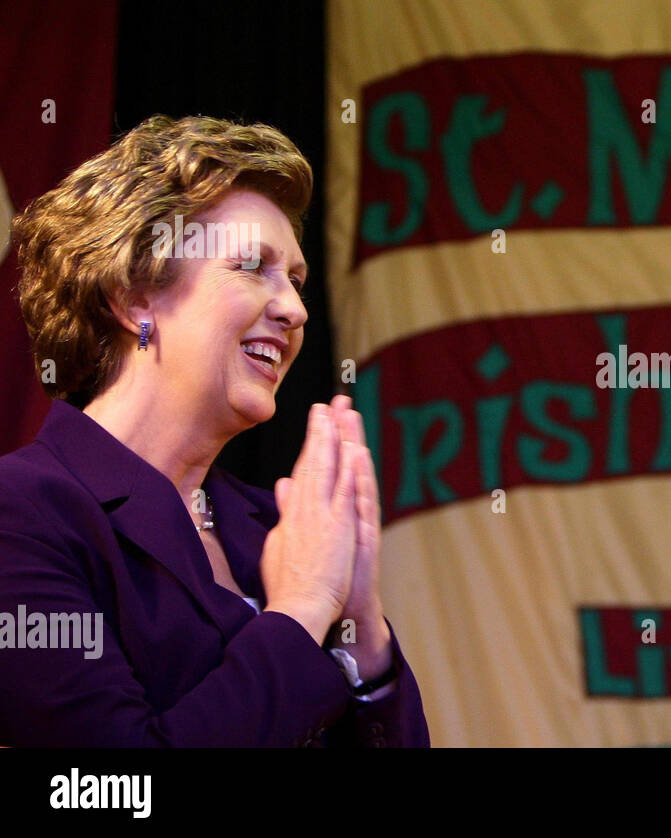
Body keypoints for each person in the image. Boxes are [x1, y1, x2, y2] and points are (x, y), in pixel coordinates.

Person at [0, 115, 429, 747]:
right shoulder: (23, 512)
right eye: (253, 267)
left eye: (297, 280)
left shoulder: (278, 528)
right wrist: (303, 607)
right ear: (134, 297)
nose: (295, 308)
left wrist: (359, 626)